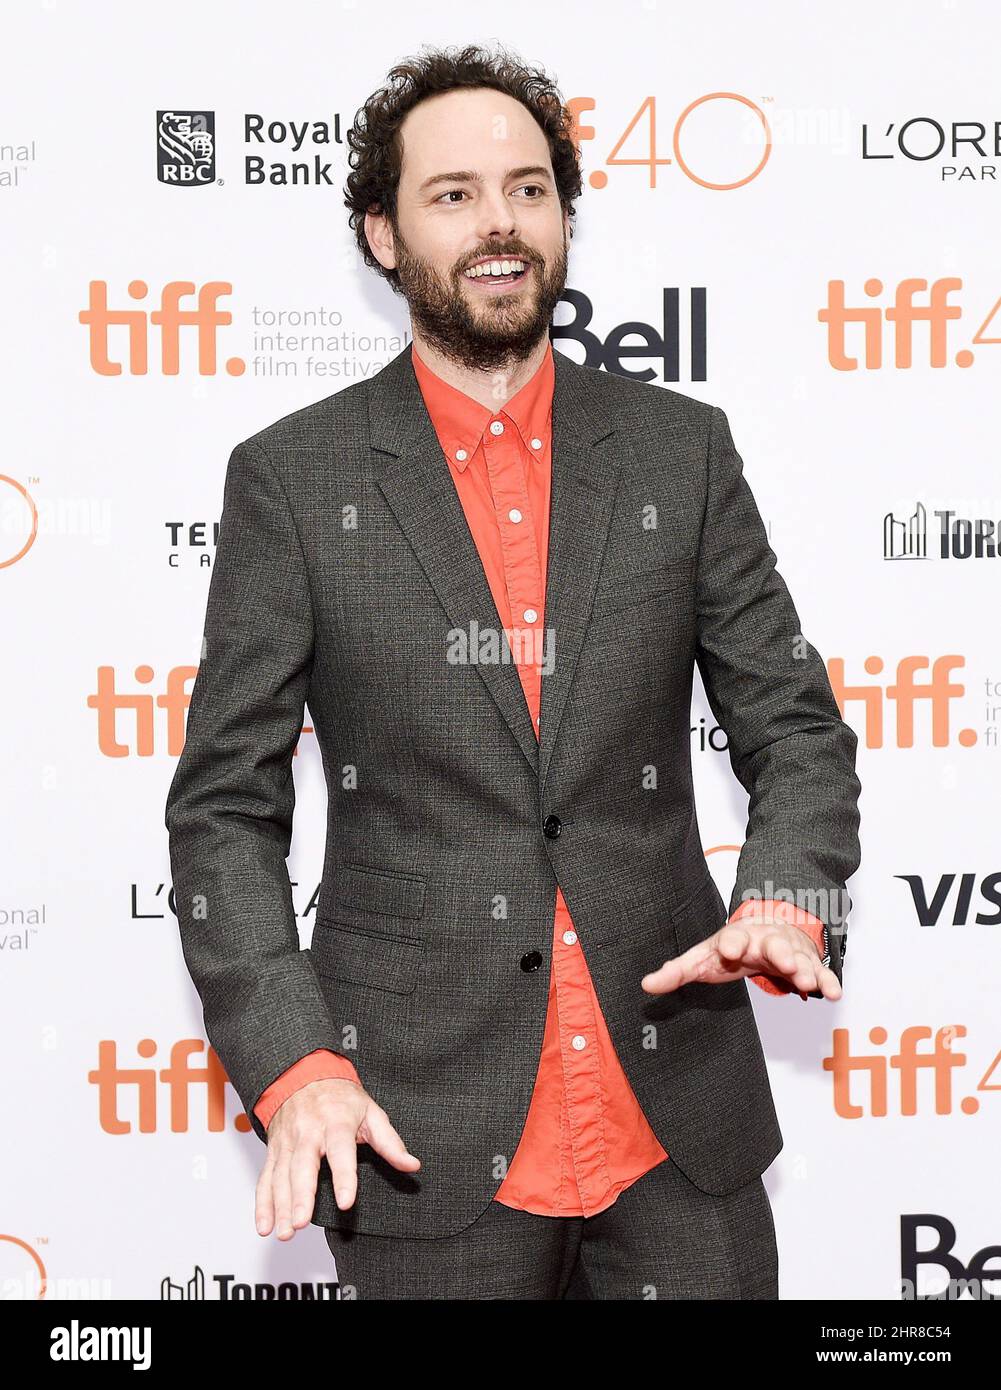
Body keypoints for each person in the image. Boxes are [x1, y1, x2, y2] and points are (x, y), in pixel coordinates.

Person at [164, 42, 861, 1300]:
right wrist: (294, 1060)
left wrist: (787, 887)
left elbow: (794, 725)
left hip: (674, 1122)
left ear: (564, 214)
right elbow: (223, 808)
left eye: (529, 188)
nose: (500, 224)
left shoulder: (676, 453)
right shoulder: (295, 480)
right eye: (452, 194)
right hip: (416, 1124)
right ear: (381, 233)